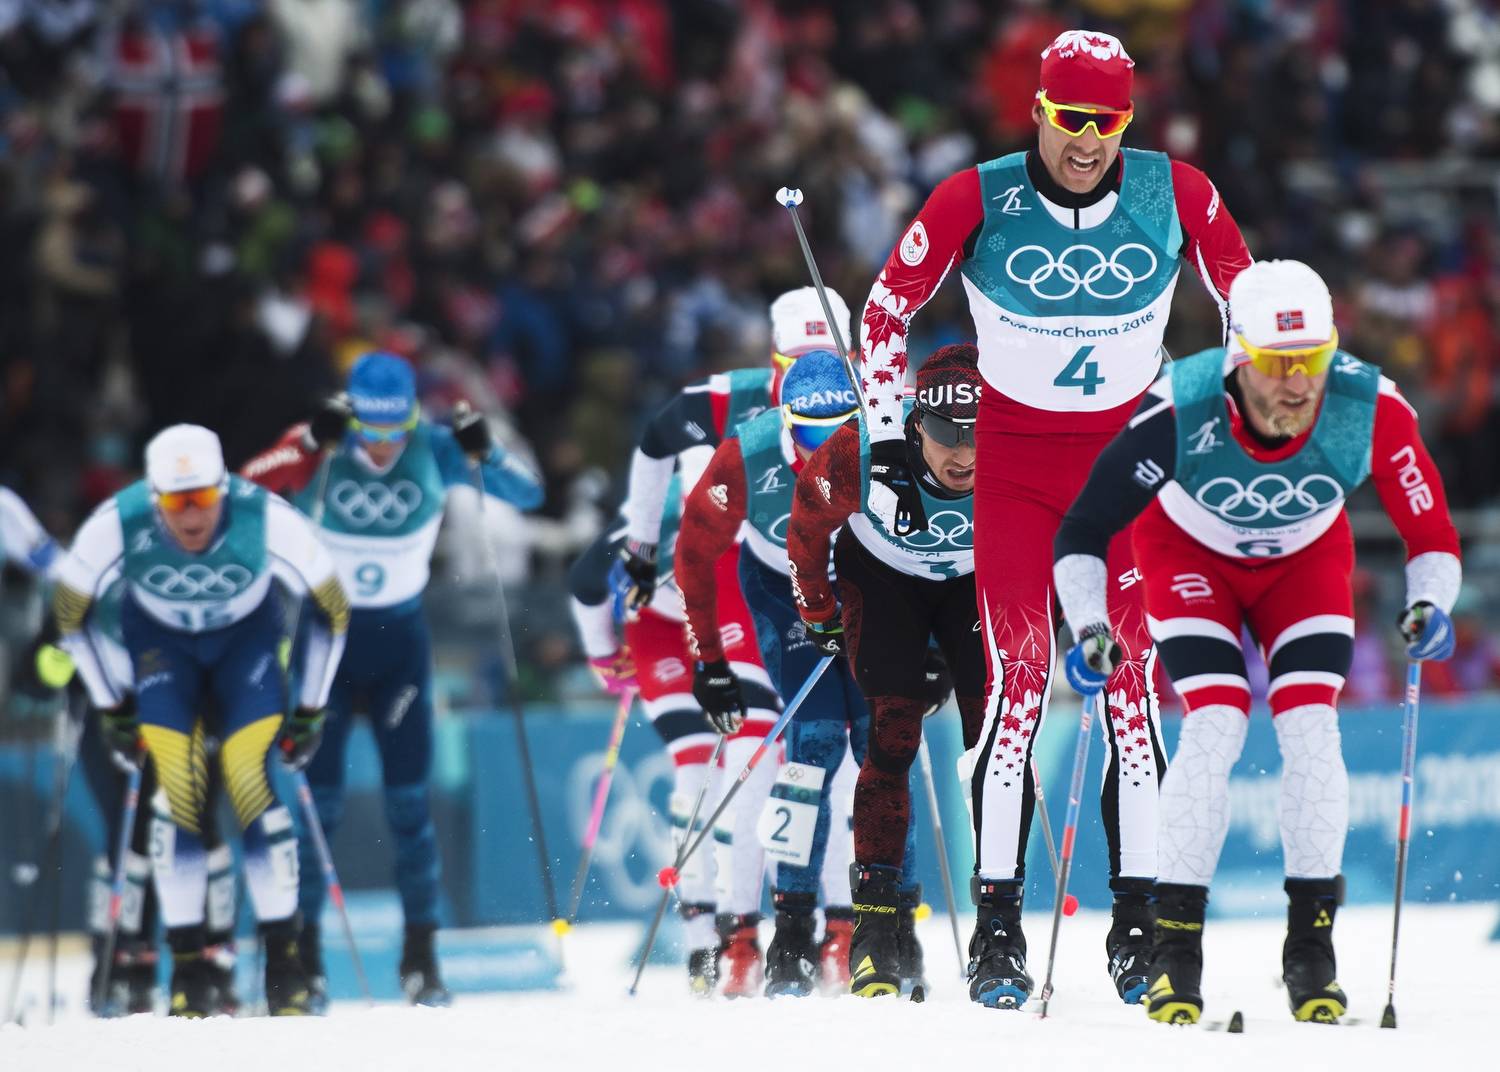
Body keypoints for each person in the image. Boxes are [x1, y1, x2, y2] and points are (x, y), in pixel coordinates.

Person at [855, 27, 1252, 1005]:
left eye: (1106, 122)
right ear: (1038, 106)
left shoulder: (1178, 192)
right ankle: (998, 930)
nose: (1087, 141)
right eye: (1070, 118)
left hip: (1128, 477)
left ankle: (1138, 924)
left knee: (1130, 702)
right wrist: (884, 445)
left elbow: (1250, 294)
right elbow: (880, 313)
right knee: (1018, 694)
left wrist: (1234, 417)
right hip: (1020, 478)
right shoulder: (974, 197)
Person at [1051, 259, 1462, 1024]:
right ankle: (1176, 955)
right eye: (1277, 367)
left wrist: (1430, 603)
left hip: (1304, 562)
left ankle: (1312, 954)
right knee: (1216, 722)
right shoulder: (1182, 407)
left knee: (1312, 726)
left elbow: (1431, 534)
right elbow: (1082, 530)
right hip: (1187, 556)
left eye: (1311, 362)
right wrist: (1091, 627)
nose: (1298, 386)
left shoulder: (1369, 406)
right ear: (1239, 359)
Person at [242, 351, 543, 1008]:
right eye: (370, 433)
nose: (381, 447)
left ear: (412, 416)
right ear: (353, 417)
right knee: (315, 812)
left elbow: (528, 493)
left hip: (400, 649)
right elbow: (249, 487)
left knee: (411, 809)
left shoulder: (434, 447)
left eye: (394, 431)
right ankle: (307, 961)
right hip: (326, 649)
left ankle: (421, 959)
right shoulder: (323, 442)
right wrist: (303, 443)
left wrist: (485, 452)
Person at [607, 285, 860, 994]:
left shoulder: (872, 393)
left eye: (829, 357)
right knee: (754, 756)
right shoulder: (731, 398)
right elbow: (654, 442)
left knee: (837, 763)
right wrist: (638, 543)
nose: (810, 378)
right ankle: (739, 936)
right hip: (749, 585)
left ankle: (841, 930)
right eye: (795, 362)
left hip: (841, 587)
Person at [53, 424, 351, 1017]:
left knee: (247, 777)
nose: (192, 518)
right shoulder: (119, 520)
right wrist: (112, 702)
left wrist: (312, 706)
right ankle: (188, 967)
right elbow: (69, 612)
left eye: (204, 500)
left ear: (223, 488)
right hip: (165, 651)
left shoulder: (263, 515)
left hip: (246, 648)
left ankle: (285, 965)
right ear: (154, 495)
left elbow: (333, 607)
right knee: (179, 789)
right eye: (176, 502)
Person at [676, 350, 919, 997]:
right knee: (811, 745)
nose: (823, 448)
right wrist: (709, 664)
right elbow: (694, 551)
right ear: (783, 421)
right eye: (809, 433)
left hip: (866, 583)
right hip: (785, 593)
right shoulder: (748, 454)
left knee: (882, 740)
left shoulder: (884, 440)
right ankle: (791, 931)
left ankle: (894, 922)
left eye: (839, 429)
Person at [786, 343, 984, 1000]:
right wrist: (818, 610)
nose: (967, 456)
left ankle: (999, 926)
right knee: (891, 736)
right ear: (914, 423)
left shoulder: (1014, 437)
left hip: (969, 582)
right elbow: (805, 533)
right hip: (885, 579)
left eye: (979, 437)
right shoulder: (858, 447)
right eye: (950, 438)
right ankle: (873, 932)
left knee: (995, 736)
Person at [567, 477, 779, 997]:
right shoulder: (641, 522)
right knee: (693, 768)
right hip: (659, 629)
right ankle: (699, 940)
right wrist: (602, 655)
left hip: (723, 612)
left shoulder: (735, 501)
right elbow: (584, 582)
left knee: (746, 762)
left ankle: (740, 924)